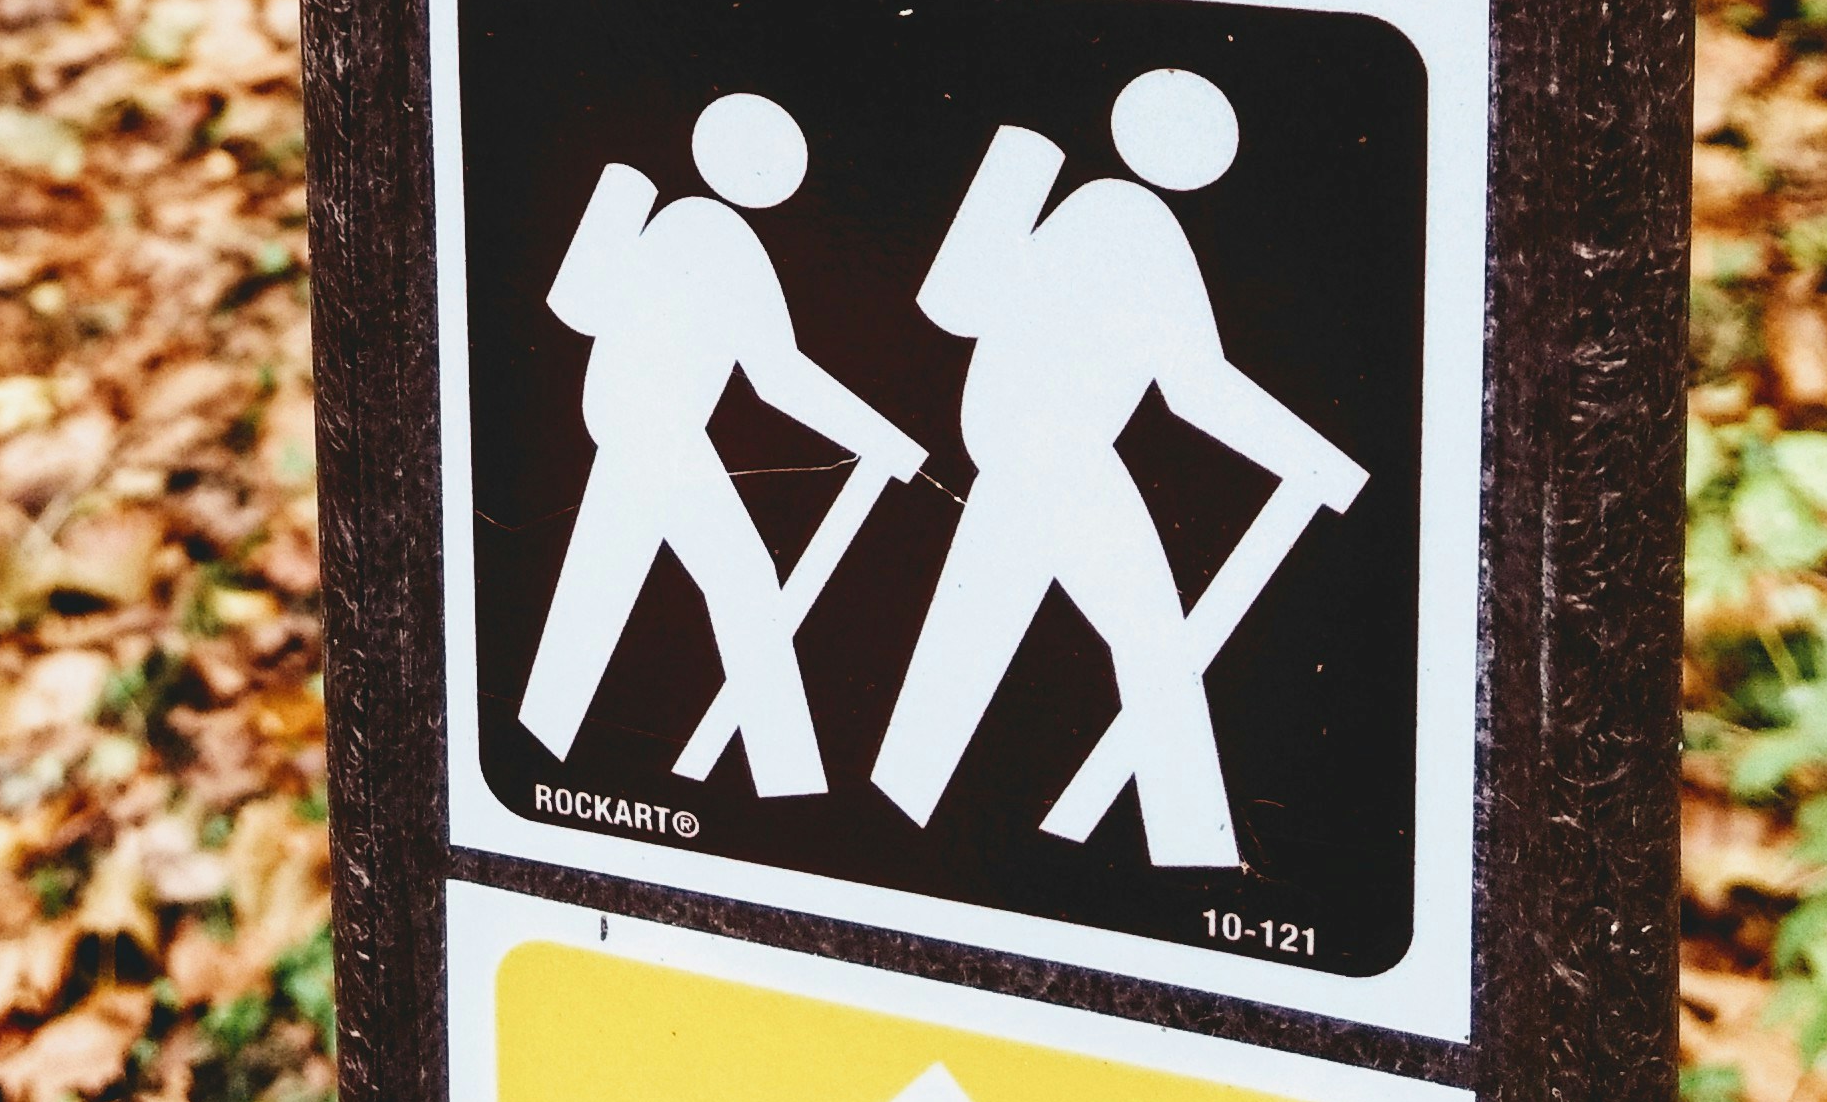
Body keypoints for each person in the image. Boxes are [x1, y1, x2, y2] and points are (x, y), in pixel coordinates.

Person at [867, 69, 1362, 868]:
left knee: (968, 639)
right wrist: (1317, 463)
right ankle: (1195, 858)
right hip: (1061, 459)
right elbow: (1193, 385)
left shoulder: (1080, 208)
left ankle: (892, 816)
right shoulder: (1141, 224)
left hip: (1008, 453)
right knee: (1153, 645)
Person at [521, 93, 925, 803]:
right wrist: (882, 440)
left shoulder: (679, 222)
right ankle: (790, 787)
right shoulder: (721, 238)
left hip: (629, 426)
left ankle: (543, 742)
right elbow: (777, 375)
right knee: (741, 586)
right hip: (658, 433)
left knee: (605, 589)